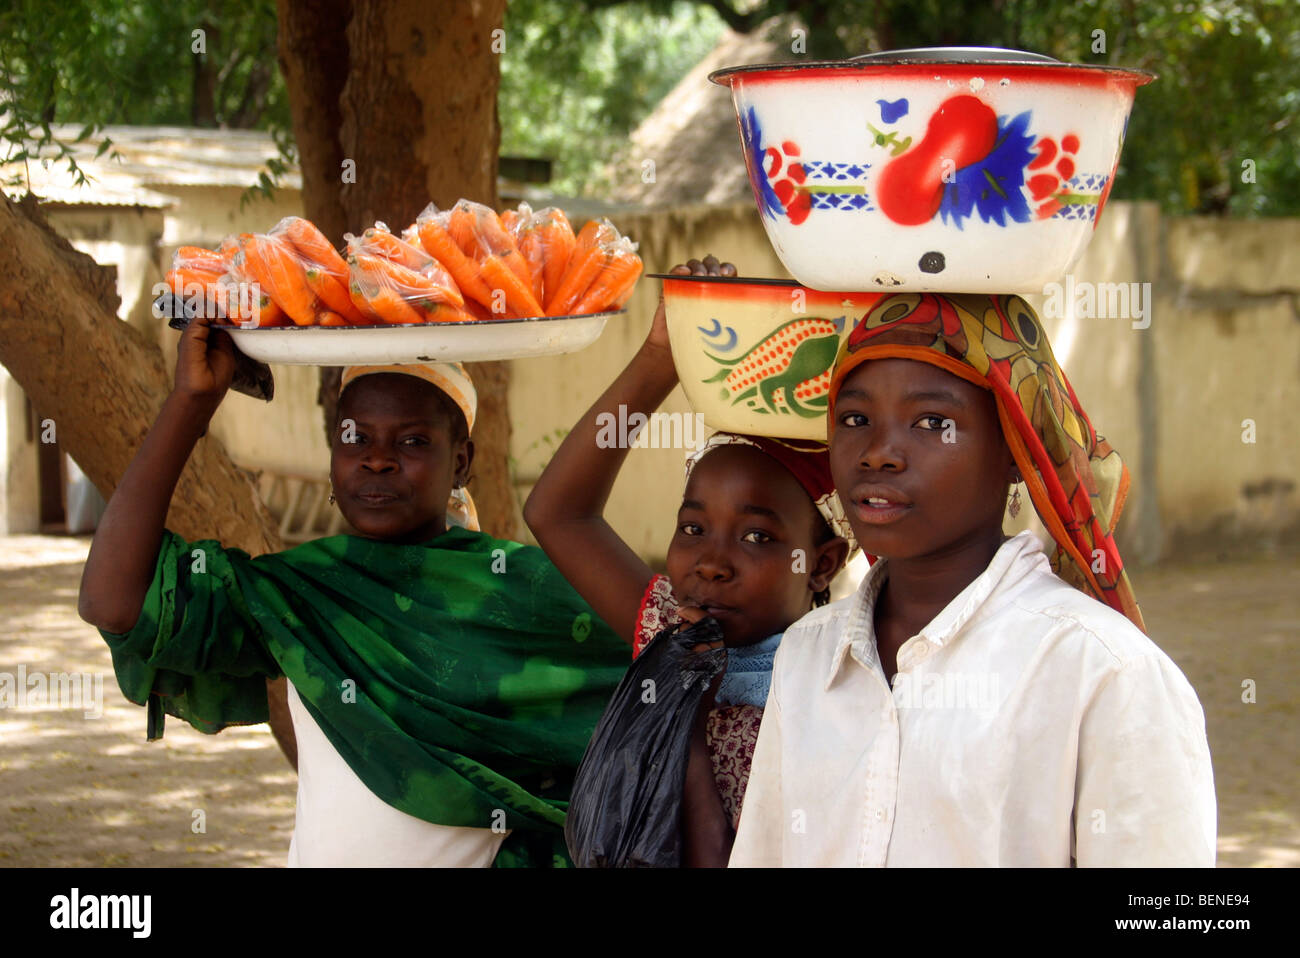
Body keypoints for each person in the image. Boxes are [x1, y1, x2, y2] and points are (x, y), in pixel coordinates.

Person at [78, 314, 628, 867]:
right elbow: (115, 603)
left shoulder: (524, 593)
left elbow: (659, 663)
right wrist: (189, 404)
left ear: (460, 461)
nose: (377, 458)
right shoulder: (301, 593)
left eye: (412, 441)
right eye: (354, 437)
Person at [729, 292, 1217, 867]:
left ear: (1017, 450)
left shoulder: (1103, 671)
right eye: (855, 419)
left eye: (933, 423)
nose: (878, 453)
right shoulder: (806, 654)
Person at [524, 256, 853, 866]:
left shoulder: (837, 688)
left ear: (823, 562)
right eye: (693, 528)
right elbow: (558, 514)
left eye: (756, 537)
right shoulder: (668, 633)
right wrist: (660, 358)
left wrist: (689, 726)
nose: (710, 564)